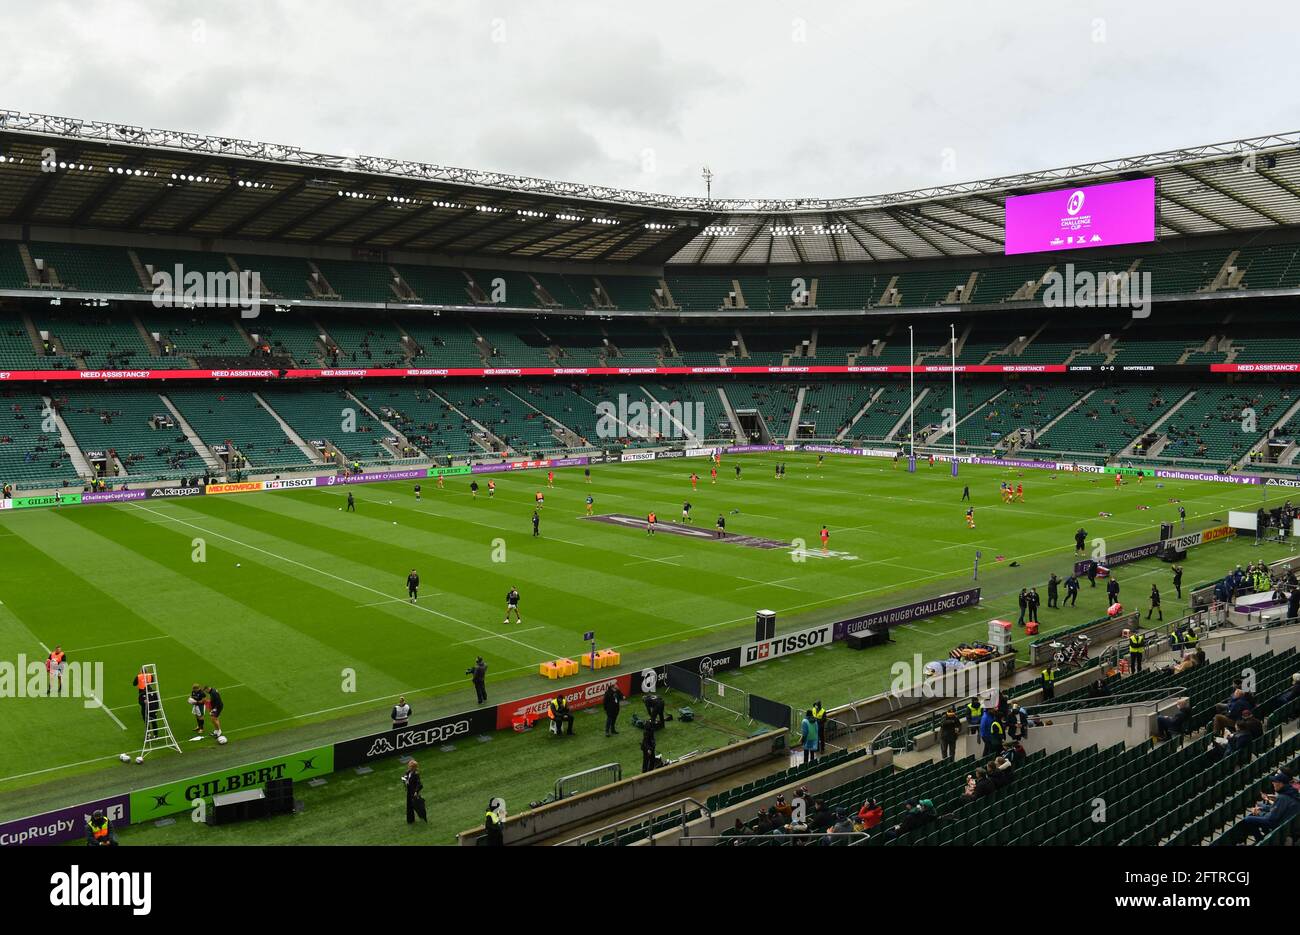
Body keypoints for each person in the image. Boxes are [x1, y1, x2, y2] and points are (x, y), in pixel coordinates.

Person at [1242, 774, 1299, 841]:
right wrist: (1261, 809)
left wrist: (1259, 813)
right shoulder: (1293, 792)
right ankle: (1267, 836)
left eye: (1275, 781)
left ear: (1281, 784)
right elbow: (1278, 808)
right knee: (1261, 806)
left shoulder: (1283, 797)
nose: (1272, 783)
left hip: (1280, 826)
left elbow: (1271, 819)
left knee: (1248, 819)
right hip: (1288, 825)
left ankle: (1260, 841)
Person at [403, 759, 427, 824]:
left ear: (414, 767)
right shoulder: (408, 772)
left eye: (410, 766)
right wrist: (405, 779)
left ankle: (422, 816)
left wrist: (416, 792)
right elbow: (405, 777)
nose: (409, 767)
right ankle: (410, 820)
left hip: (413, 792)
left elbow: (419, 784)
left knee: (417, 806)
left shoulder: (416, 774)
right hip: (409, 791)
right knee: (409, 806)